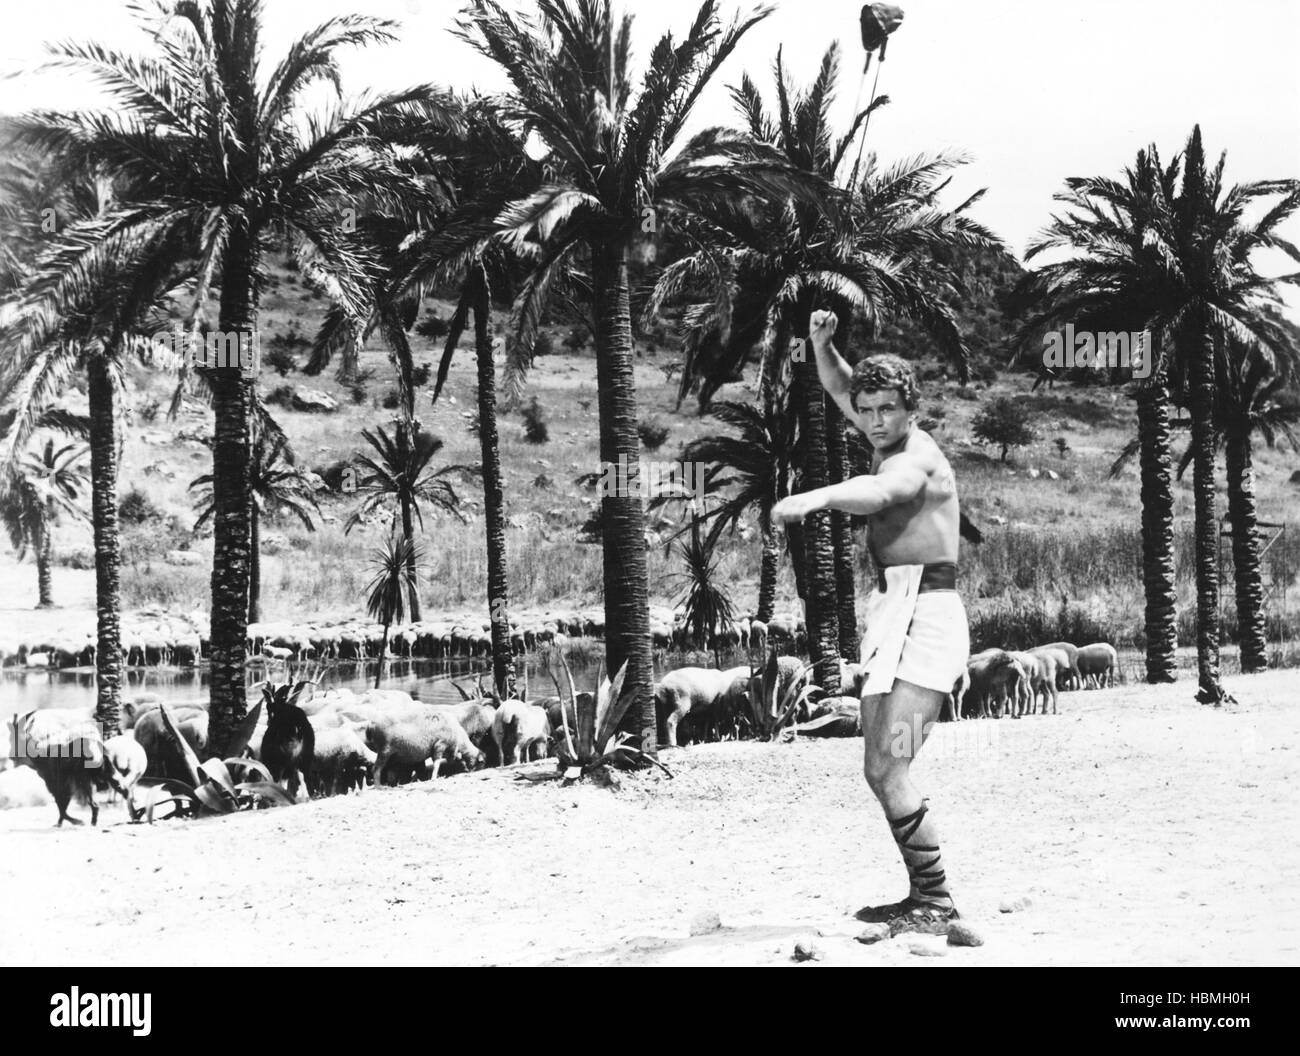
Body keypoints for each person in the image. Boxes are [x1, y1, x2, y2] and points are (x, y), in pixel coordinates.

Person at [772, 309, 970, 934]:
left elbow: (882, 493)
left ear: (910, 408)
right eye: (869, 410)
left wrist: (818, 496)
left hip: (929, 616)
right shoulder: (883, 429)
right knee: (877, 767)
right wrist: (821, 346)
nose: (876, 421)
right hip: (895, 612)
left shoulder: (915, 457)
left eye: (888, 409)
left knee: (891, 765)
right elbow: (837, 387)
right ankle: (926, 897)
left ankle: (935, 903)